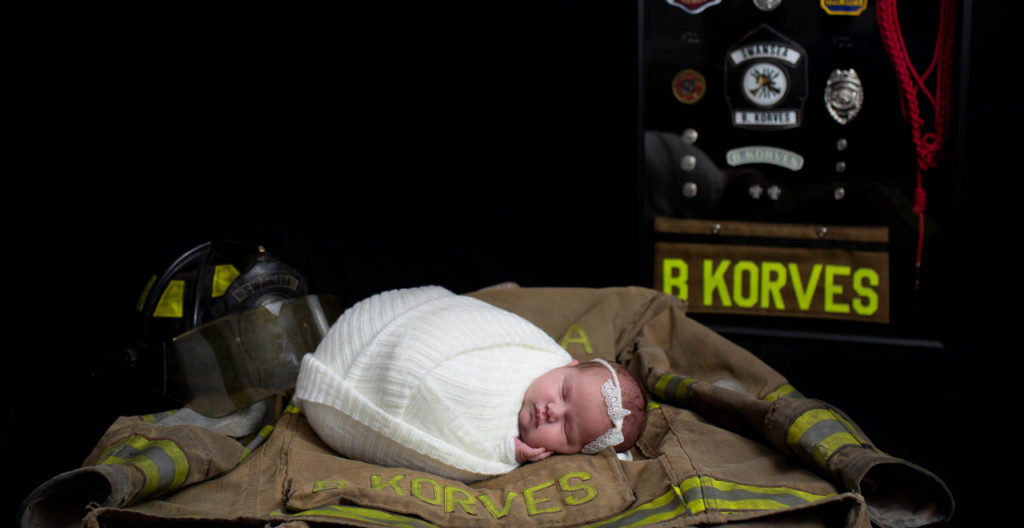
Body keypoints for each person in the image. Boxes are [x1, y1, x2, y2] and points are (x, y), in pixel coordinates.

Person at [294, 286, 647, 482]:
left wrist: (510, 452)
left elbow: (469, 454)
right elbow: (474, 321)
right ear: (567, 364)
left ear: (567, 454)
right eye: (564, 392)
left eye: (567, 430)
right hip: (394, 327)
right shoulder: (533, 351)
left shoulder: (525, 448)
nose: (552, 411)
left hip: (357, 395)